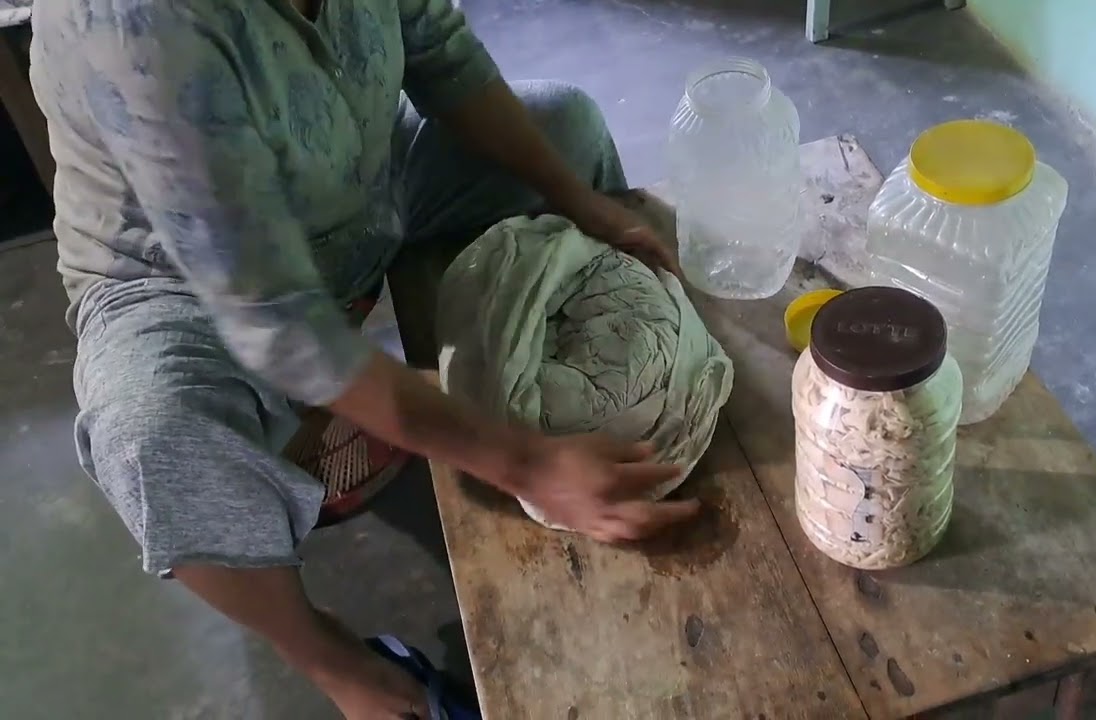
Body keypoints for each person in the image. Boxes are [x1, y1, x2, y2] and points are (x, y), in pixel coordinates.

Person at [30, 0, 699, 717]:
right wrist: (527, 464)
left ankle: (400, 394)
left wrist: (579, 200)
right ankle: (335, 659)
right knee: (153, 435)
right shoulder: (139, 24)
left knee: (566, 127)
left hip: (355, 177)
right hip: (182, 280)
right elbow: (279, 326)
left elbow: (441, 54)